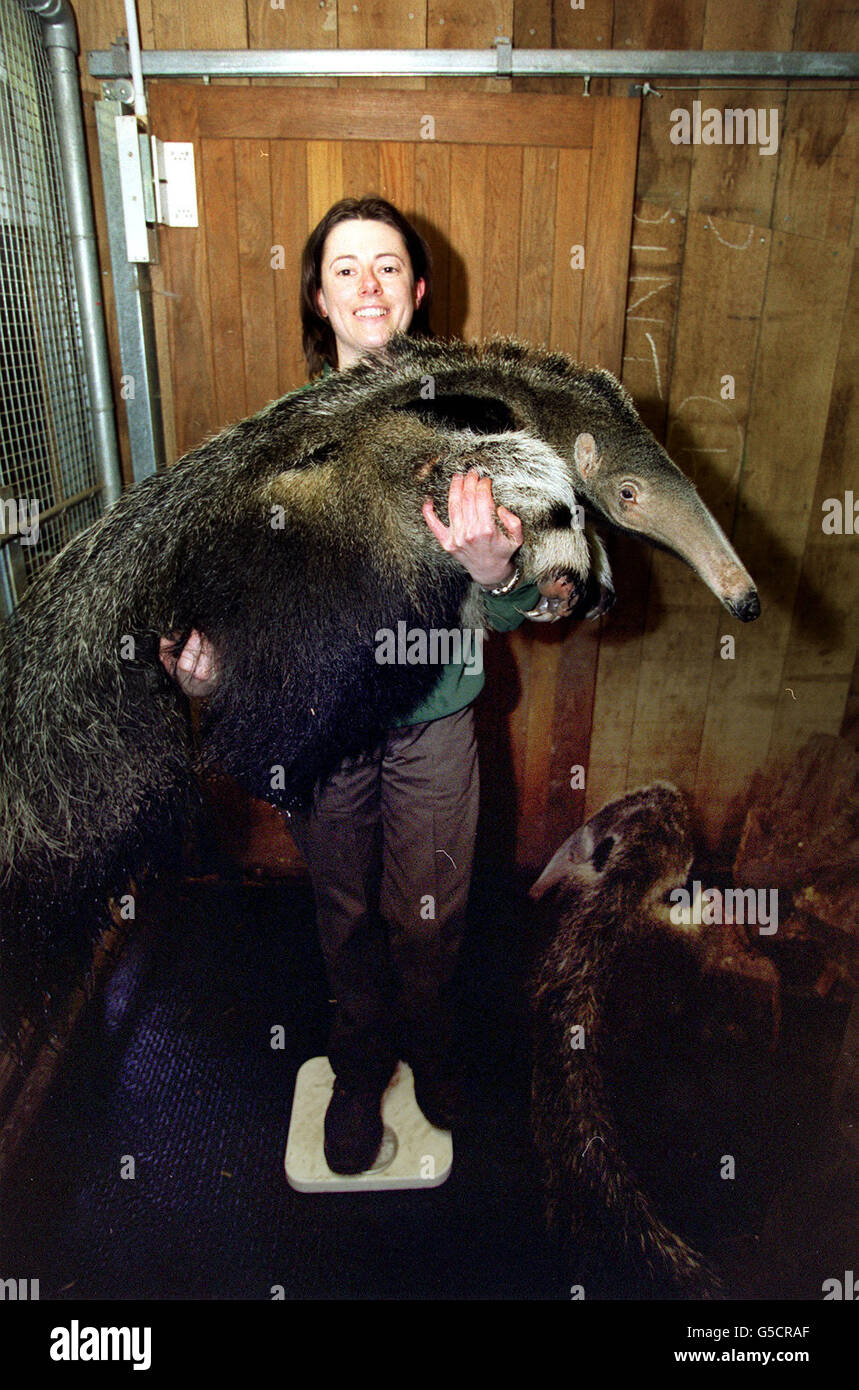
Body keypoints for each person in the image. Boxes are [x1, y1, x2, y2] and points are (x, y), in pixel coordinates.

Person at [161, 197, 574, 1174]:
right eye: (345, 268)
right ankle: (357, 1069)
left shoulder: (470, 433)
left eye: (387, 265)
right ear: (317, 295)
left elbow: (528, 602)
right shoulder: (277, 450)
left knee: (430, 913)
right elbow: (254, 613)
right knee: (343, 912)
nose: (368, 285)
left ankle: (428, 1055)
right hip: (325, 729)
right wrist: (216, 670)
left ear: (418, 289)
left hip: (434, 720)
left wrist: (496, 576)